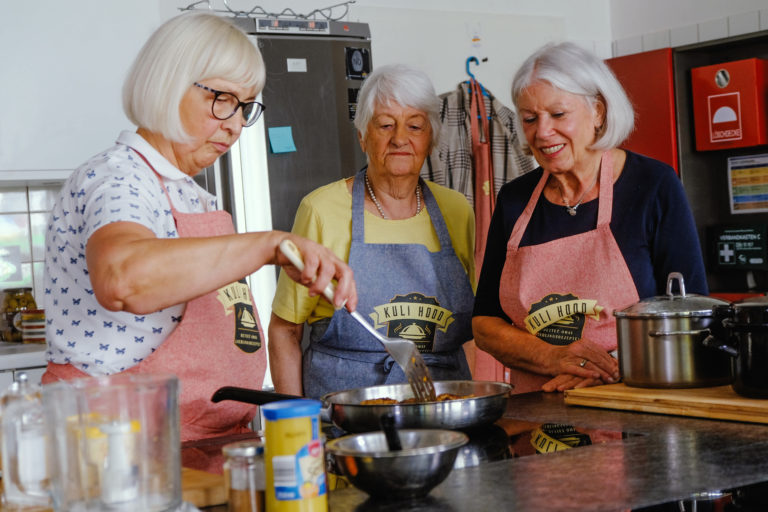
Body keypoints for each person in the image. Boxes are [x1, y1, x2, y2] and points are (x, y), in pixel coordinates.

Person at [42, 12, 356, 441]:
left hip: (202, 441)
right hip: (119, 445)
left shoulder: (193, 196)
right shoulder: (119, 177)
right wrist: (267, 245)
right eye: (222, 98)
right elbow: (123, 278)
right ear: (169, 84)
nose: (234, 123)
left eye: (244, 107)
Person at [472, 42, 707, 394]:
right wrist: (553, 358)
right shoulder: (514, 199)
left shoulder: (653, 186)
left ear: (597, 111)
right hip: (537, 414)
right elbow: (485, 324)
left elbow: (692, 314)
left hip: (635, 404)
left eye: (558, 114)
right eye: (530, 118)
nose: (542, 132)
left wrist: (609, 368)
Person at [268, 64, 476, 399]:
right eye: (385, 125)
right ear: (363, 136)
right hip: (345, 417)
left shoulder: (457, 210)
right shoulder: (320, 210)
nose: (400, 139)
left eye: (415, 125)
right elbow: (284, 330)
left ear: (431, 137)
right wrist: (299, 422)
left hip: (442, 411)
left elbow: (473, 331)